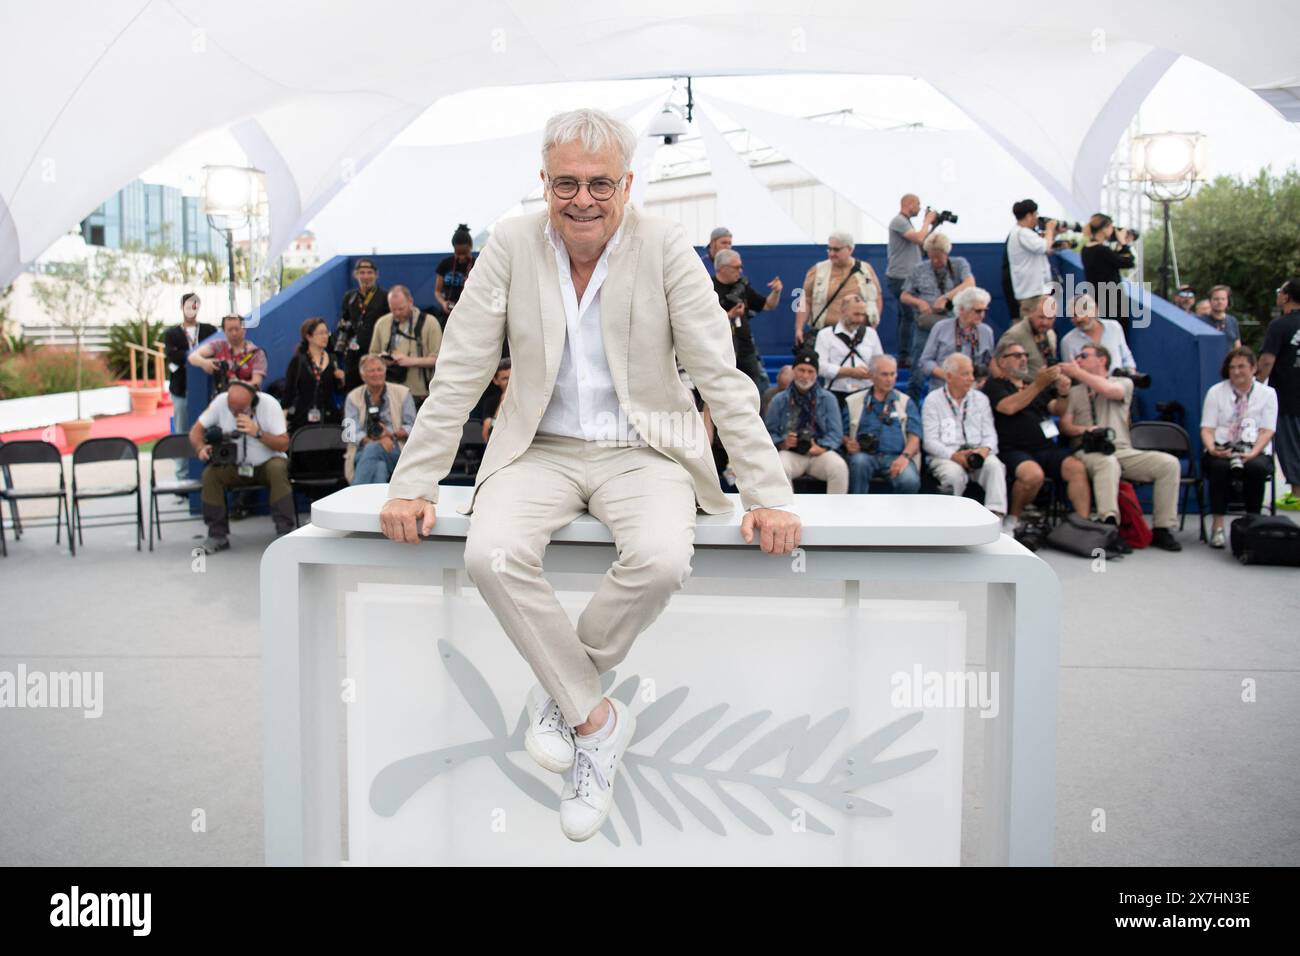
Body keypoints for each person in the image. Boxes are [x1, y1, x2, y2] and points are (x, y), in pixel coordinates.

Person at [377, 108, 800, 843]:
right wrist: (411, 483)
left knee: (664, 559)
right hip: (537, 447)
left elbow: (720, 377)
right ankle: (596, 720)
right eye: (566, 182)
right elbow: (459, 372)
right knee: (491, 554)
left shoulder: (667, 248)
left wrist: (767, 495)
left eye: (600, 184)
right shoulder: (509, 246)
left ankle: (561, 695)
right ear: (543, 183)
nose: (582, 199)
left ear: (628, 184)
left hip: (646, 448)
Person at [1059, 344, 1183, 551]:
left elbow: (1109, 390)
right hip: (1088, 451)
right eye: (1078, 357)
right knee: (1107, 463)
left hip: (1122, 449)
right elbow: (1065, 425)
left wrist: (1077, 373)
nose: (1078, 360)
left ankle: (1163, 528)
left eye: (1084, 356)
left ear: (1102, 360)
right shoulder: (1075, 391)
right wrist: (1085, 430)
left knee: (1168, 464)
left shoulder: (1124, 382)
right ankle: (1109, 528)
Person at [983, 339, 1091, 537]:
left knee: (1076, 468)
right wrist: (1039, 384)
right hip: (1012, 449)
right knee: (1033, 475)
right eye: (1016, 356)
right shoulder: (995, 385)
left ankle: (1082, 527)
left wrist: (1064, 394)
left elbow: (1056, 409)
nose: (1023, 359)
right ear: (1001, 361)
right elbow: (1008, 407)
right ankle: (1013, 520)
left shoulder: (1032, 384)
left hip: (1045, 447)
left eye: (1025, 356)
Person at [189, 380, 292, 553]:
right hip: (234, 464)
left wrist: (257, 432)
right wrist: (200, 448)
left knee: (278, 468)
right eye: (232, 408)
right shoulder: (220, 402)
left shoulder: (269, 405)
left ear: (253, 401)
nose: (236, 413)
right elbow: (195, 431)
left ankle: (285, 532)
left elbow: (283, 444)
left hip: (265, 463)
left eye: (241, 409)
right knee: (210, 475)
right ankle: (217, 535)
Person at [1201, 347, 1278, 548]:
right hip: (1222, 446)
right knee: (1219, 467)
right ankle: (1217, 526)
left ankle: (1253, 525)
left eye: (1241, 367)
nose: (1236, 372)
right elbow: (1207, 429)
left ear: (1253, 369)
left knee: (1257, 468)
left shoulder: (1268, 394)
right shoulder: (1216, 392)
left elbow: (1268, 430)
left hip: (1254, 447)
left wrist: (1253, 452)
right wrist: (1212, 448)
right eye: (1232, 367)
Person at [922, 353, 1007, 522]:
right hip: (947, 455)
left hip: (977, 452)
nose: (971, 378)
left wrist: (984, 450)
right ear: (949, 377)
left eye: (972, 373)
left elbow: (990, 434)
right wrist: (954, 456)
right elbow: (930, 441)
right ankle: (952, 523)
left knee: (995, 467)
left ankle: (996, 520)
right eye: (965, 374)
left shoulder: (981, 399)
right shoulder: (933, 400)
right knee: (953, 475)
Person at [764, 348, 848, 494]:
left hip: (819, 452)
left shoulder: (828, 399)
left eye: (810, 371)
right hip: (791, 453)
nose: (805, 376)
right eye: (801, 370)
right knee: (780, 467)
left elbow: (836, 433)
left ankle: (836, 514)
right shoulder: (779, 400)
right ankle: (787, 512)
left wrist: (823, 447)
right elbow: (769, 432)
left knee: (839, 467)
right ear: (793, 371)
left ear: (816, 374)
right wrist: (783, 442)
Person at [845, 354, 922, 495]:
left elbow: (915, 437)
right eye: (884, 375)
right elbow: (842, 434)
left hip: (897, 456)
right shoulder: (853, 401)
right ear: (872, 376)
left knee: (910, 480)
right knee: (859, 463)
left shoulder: (905, 402)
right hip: (865, 455)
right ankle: (856, 511)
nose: (889, 379)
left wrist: (904, 458)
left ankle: (900, 516)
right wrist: (848, 443)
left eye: (893, 374)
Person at [898, 231, 974, 370]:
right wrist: (919, 303)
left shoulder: (959, 264)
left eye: (938, 257)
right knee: (918, 359)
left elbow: (970, 283)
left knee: (956, 359)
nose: (935, 261)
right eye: (931, 257)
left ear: (946, 253)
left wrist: (946, 297)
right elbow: (904, 296)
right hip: (926, 322)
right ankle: (915, 388)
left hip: (953, 323)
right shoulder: (918, 269)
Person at [794, 231, 883, 345]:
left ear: (850, 249)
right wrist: (799, 329)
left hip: (858, 334)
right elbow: (805, 300)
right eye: (829, 249)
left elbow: (877, 298)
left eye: (836, 250)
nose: (831, 253)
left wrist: (872, 328)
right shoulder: (817, 270)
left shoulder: (865, 270)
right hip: (825, 335)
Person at [712, 248, 782, 393]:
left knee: (753, 391)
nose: (741, 271)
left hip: (746, 349)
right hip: (720, 351)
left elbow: (768, 305)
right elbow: (704, 321)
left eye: (741, 266)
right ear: (722, 268)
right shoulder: (709, 289)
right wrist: (730, 315)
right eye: (737, 267)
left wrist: (776, 291)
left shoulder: (741, 286)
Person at [1257, 277, 1300, 509]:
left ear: (1286, 297)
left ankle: (1296, 494)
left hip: (1287, 396)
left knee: (1290, 445)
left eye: (1279, 291)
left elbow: (1266, 361)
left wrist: (1255, 386)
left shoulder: (1280, 325)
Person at [162, 293, 216, 473]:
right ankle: (182, 475)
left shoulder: (209, 330)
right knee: (182, 431)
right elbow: (173, 355)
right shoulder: (172, 333)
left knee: (209, 430)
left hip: (207, 390)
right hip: (181, 390)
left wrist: (188, 357)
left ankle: (209, 471)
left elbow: (215, 351)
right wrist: (196, 358)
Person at [343, 354, 417, 484]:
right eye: (371, 371)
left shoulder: (403, 393)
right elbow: (348, 433)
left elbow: (415, 428)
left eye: (379, 369)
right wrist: (368, 441)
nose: (376, 374)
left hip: (396, 448)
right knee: (379, 467)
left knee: (373, 451)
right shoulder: (353, 397)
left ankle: (353, 496)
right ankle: (375, 504)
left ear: (385, 372)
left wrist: (391, 434)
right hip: (363, 449)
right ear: (363, 376)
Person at [368, 285, 442, 408]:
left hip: (420, 395)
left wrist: (410, 361)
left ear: (411, 302)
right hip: (389, 393)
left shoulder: (430, 322)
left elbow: (439, 359)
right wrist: (383, 360)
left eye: (401, 309)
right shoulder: (382, 323)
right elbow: (372, 356)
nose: (397, 313)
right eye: (393, 309)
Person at [885, 194, 937, 367]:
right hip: (900, 277)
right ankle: (905, 356)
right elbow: (918, 238)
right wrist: (927, 221)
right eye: (918, 204)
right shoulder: (899, 221)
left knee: (906, 316)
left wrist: (931, 224)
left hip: (907, 277)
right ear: (909, 204)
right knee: (908, 316)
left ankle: (905, 354)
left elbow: (922, 242)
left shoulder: (906, 223)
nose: (920, 208)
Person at [916, 286, 995, 392]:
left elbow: (990, 363)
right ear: (962, 309)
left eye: (984, 311)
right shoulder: (941, 327)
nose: (982, 315)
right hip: (943, 387)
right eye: (977, 311)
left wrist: (984, 379)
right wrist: (949, 376)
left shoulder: (986, 331)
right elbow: (925, 362)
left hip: (974, 390)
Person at [813, 294, 883, 408]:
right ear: (843, 311)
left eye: (862, 315)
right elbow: (819, 367)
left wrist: (871, 372)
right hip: (836, 395)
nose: (860, 319)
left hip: (866, 393)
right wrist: (850, 372)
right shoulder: (825, 335)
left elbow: (880, 363)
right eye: (856, 314)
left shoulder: (871, 334)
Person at [282, 317, 345, 433]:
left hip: (329, 416)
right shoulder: (298, 361)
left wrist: (341, 379)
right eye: (321, 333)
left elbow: (338, 389)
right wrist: (285, 418)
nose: (325, 336)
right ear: (309, 336)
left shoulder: (333, 359)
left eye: (327, 333)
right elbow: (288, 392)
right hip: (303, 417)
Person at [335, 257, 389, 391]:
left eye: (369, 272)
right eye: (362, 272)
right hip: (353, 354)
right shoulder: (350, 297)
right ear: (355, 275)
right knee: (353, 391)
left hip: (376, 353)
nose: (366, 276)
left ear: (376, 275)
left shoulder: (385, 296)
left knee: (377, 390)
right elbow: (343, 323)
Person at [1080, 213, 1136, 330]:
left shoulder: (1086, 249)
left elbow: (1113, 261)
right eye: (1111, 227)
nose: (1113, 230)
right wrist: (1124, 243)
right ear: (1104, 229)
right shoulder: (1102, 250)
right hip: (1113, 304)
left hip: (1097, 301)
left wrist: (1119, 247)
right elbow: (1129, 262)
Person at [1005, 199, 1057, 318]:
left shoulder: (1020, 233)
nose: (1037, 218)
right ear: (1029, 216)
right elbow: (1045, 247)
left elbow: (1047, 249)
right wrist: (1049, 229)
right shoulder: (1023, 233)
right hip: (1032, 293)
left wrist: (1053, 234)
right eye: (1036, 214)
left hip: (1033, 291)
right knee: (1035, 328)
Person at [1059, 292, 1137, 371]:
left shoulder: (1114, 327)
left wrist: (1130, 375)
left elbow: (1126, 357)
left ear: (1095, 310)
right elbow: (1070, 372)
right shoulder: (1068, 341)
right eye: (1073, 316)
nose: (1078, 319)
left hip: (1119, 381)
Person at [189, 313, 266, 391]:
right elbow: (192, 356)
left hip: (248, 396)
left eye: (237, 329)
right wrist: (204, 363)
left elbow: (256, 381)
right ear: (224, 331)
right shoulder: (219, 345)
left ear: (244, 329)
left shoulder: (256, 352)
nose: (234, 333)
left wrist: (236, 385)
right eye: (230, 330)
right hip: (223, 396)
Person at [997, 293, 1059, 378]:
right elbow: (997, 367)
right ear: (1031, 313)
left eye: (1050, 318)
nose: (1045, 322)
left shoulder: (1050, 334)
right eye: (1041, 317)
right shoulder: (1013, 335)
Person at [435, 224, 476, 319]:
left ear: (470, 247)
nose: (461, 257)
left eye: (464, 253)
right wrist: (443, 303)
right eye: (458, 253)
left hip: (469, 313)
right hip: (447, 314)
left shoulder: (477, 264)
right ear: (453, 248)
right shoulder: (445, 264)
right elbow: (437, 291)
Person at [480, 359, 512, 443]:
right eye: (505, 378)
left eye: (513, 377)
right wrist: (502, 403)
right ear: (495, 381)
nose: (510, 382)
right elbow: (487, 436)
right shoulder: (491, 402)